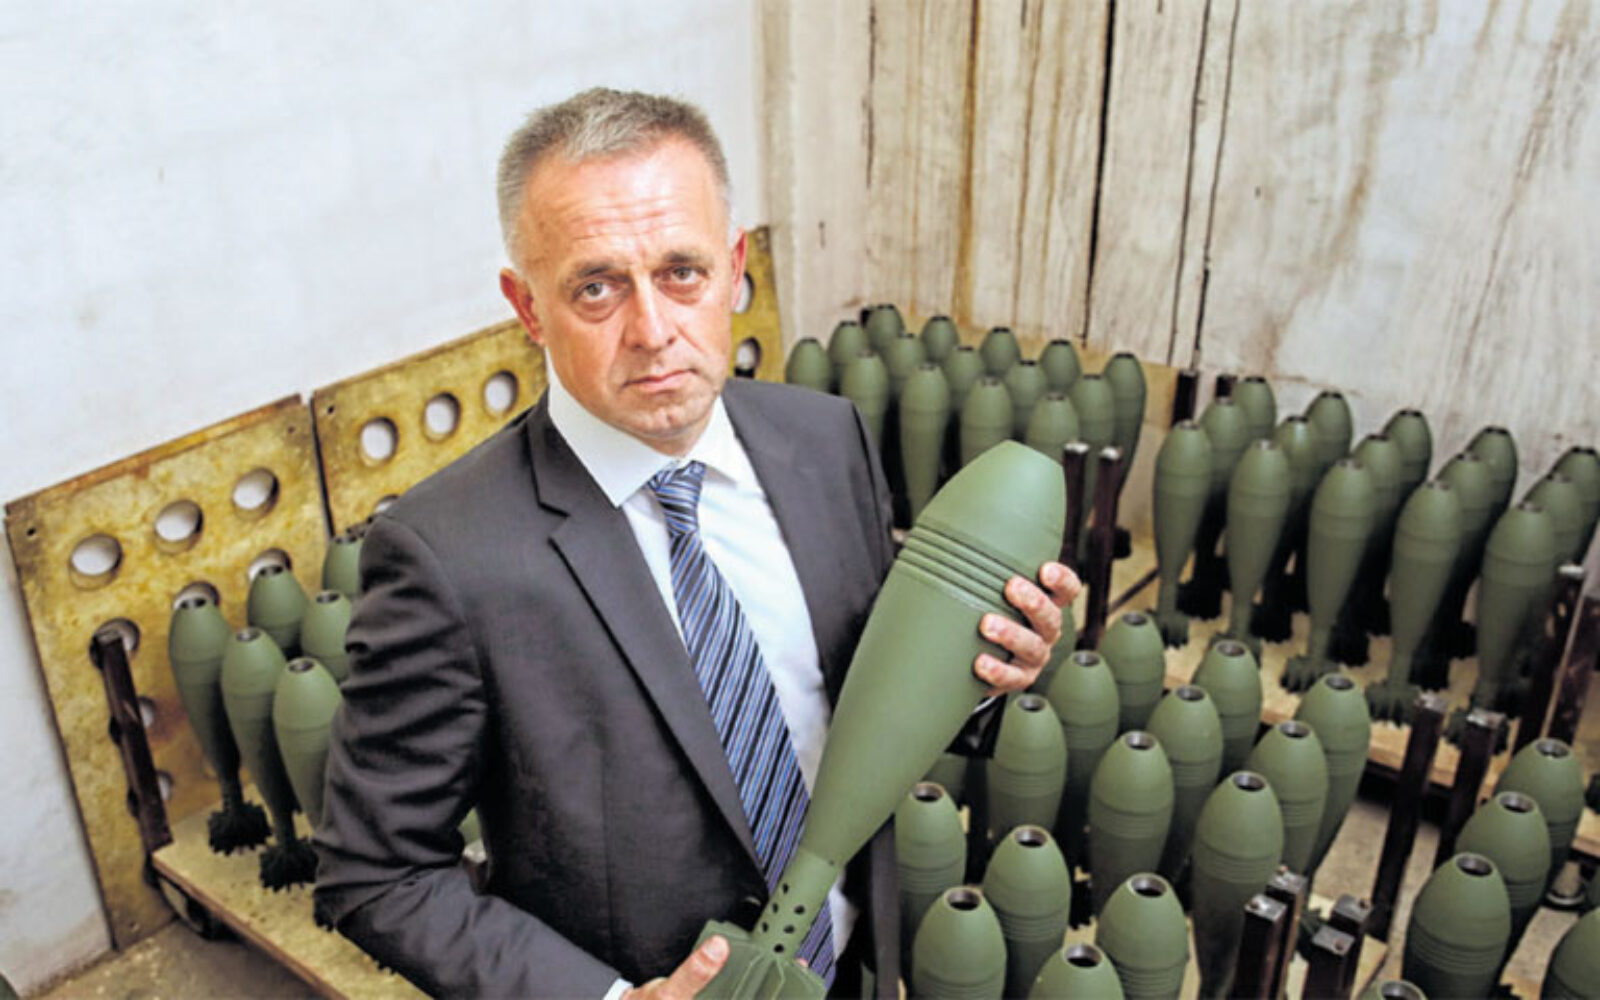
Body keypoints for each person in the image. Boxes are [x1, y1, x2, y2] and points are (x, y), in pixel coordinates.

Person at [312, 87, 1079, 999]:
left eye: (683, 272)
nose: (652, 331)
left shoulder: (823, 441)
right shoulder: (447, 556)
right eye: (596, 288)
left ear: (736, 265)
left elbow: (872, 687)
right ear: (527, 307)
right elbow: (377, 873)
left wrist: (984, 672)